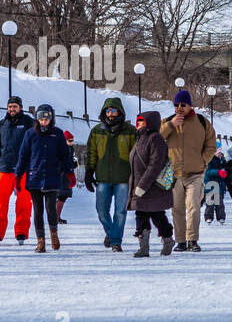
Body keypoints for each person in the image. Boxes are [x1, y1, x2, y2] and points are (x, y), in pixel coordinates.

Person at [161, 89, 217, 249]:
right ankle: (180, 241)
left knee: (193, 206)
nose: (179, 107)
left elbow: (211, 145)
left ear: (190, 106)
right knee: (176, 209)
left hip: (196, 173)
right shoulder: (167, 122)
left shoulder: (202, 122)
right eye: (176, 105)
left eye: (182, 105)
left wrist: (202, 161)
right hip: (173, 173)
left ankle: (192, 240)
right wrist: (171, 125)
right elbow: (157, 139)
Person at [14, 103, 74, 252]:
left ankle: (54, 235)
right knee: (38, 210)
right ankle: (40, 241)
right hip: (35, 177)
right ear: (37, 119)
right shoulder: (30, 134)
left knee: (50, 209)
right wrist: (18, 175)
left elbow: (65, 156)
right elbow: (23, 156)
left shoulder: (58, 134)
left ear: (51, 119)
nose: (44, 122)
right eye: (41, 119)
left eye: (47, 119)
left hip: (52, 176)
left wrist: (69, 173)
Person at [85, 96, 137, 251]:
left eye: (114, 110)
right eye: (108, 110)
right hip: (103, 178)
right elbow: (91, 153)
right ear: (104, 112)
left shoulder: (130, 131)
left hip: (123, 178)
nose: (111, 114)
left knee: (120, 212)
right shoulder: (96, 131)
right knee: (101, 211)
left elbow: (135, 156)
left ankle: (115, 242)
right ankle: (112, 233)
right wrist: (89, 172)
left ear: (119, 111)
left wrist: (136, 177)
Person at [0, 94, 34, 244]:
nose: (12, 109)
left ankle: (21, 232)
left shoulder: (29, 123)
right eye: (10, 107)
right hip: (5, 168)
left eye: (15, 106)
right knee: (0, 202)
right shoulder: (2, 124)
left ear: (20, 108)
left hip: (23, 169)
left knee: (24, 202)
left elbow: (35, 144)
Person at [128, 110, 176, 258]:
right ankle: (159, 242)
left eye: (141, 121)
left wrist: (142, 186)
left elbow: (155, 165)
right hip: (142, 185)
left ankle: (161, 242)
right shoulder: (140, 138)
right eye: (137, 121)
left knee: (153, 214)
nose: (138, 124)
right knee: (148, 214)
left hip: (151, 186)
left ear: (149, 123)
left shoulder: (155, 138)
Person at [203, 150, 231, 223]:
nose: (220, 154)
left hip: (219, 184)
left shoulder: (221, 159)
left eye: (220, 152)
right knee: (210, 202)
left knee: (220, 203)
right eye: (218, 152)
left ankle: (221, 217)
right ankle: (208, 217)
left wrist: (229, 165)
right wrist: (218, 172)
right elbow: (208, 172)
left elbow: (225, 167)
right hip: (210, 184)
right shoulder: (209, 159)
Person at [56, 131, 77, 224]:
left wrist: (73, 164)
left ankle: (56, 216)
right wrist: (71, 165)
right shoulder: (61, 149)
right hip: (62, 176)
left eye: (72, 140)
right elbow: (62, 163)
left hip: (66, 176)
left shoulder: (70, 149)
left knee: (63, 197)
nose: (71, 142)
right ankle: (56, 217)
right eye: (69, 140)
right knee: (61, 196)